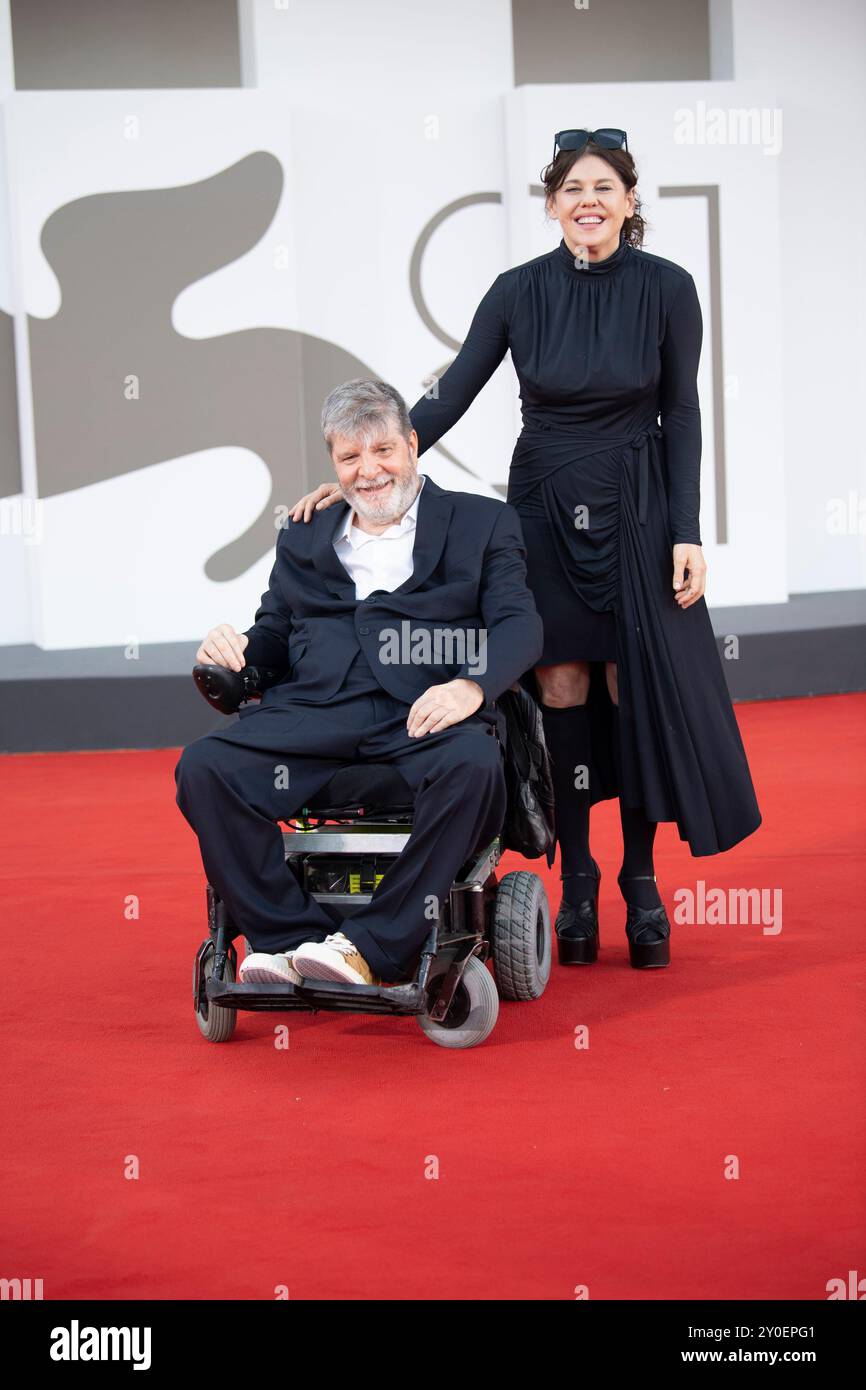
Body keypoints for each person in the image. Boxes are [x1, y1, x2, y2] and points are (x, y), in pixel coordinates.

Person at [288, 127, 762, 970]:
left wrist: (688, 529)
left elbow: (682, 414)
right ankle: (576, 882)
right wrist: (373, 466)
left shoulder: (669, 290)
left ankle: (640, 881)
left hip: (639, 507)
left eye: (605, 187)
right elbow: (452, 393)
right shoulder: (517, 291)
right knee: (560, 680)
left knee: (632, 681)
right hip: (543, 504)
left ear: (629, 201)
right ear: (551, 204)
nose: (588, 200)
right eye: (573, 187)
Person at [174, 378, 543, 988]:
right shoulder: (304, 533)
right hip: (316, 715)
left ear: (413, 445)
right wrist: (237, 651)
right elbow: (273, 635)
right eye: (350, 457)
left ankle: (370, 948)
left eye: (383, 451)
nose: (368, 471)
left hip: (423, 715)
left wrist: (470, 689)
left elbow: (519, 626)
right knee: (204, 767)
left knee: (474, 763)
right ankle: (286, 940)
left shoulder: (483, 523)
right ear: (333, 463)